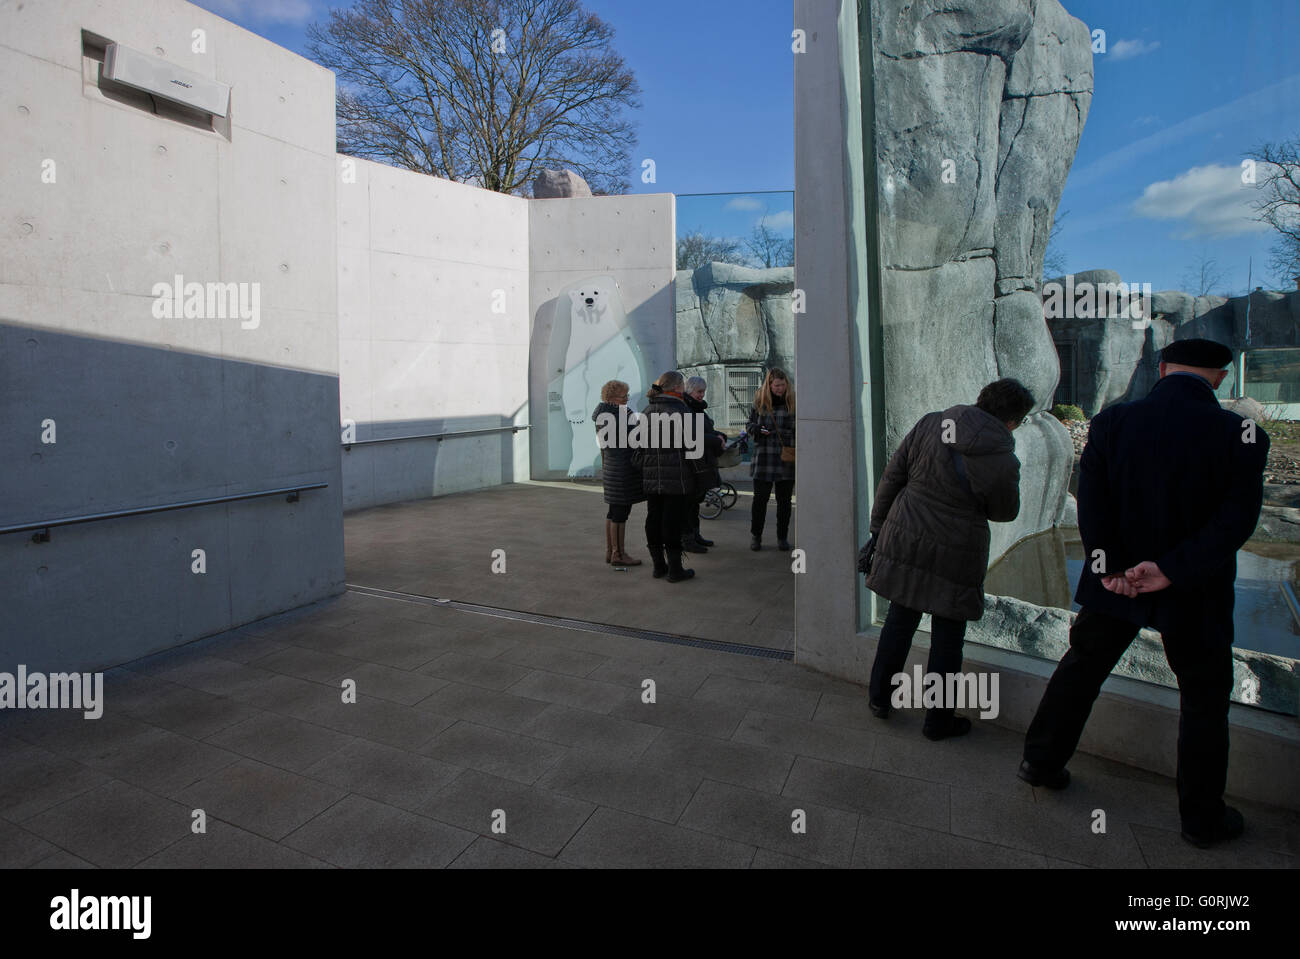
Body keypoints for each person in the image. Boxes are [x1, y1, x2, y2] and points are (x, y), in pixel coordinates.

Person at [1020, 339, 1268, 849]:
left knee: (1081, 669)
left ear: (1161, 370)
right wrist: (1172, 570)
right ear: (1219, 378)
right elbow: (1235, 521)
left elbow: (1092, 503)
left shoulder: (1114, 421)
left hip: (1116, 582)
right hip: (1194, 589)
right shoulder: (1242, 434)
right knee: (1203, 700)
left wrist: (1109, 568)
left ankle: (1039, 763)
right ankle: (1201, 819)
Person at [865, 379, 1033, 740]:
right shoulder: (1004, 461)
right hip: (958, 551)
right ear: (1012, 422)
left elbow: (893, 476)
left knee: (899, 620)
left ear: (980, 400)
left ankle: (880, 698)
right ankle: (937, 721)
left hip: (907, 535)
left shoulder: (932, 423)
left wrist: (878, 529)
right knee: (947, 638)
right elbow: (1004, 512)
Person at [634, 371, 711, 583]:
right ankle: (676, 569)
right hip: (677, 477)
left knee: (654, 518)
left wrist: (646, 467)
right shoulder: (681, 410)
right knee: (672, 522)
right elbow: (693, 449)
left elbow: (636, 447)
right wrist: (701, 476)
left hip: (651, 477)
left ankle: (659, 566)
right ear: (678, 388)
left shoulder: (647, 411)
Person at [592, 380, 645, 567]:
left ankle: (610, 551)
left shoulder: (603, 414)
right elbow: (637, 437)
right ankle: (619, 554)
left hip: (613, 467)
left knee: (614, 511)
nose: (627, 399)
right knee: (620, 513)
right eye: (624, 396)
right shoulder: (620, 414)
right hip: (623, 469)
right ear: (613, 398)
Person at [746, 369, 797, 551]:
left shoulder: (793, 402)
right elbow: (749, 425)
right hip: (764, 456)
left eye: (783, 385)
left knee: (784, 502)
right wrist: (758, 430)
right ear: (769, 385)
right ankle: (756, 536)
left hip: (786, 457)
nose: (780, 389)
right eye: (776, 386)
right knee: (760, 499)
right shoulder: (760, 401)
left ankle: (782, 537)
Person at [681, 376, 728, 553]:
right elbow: (694, 435)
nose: (702, 395)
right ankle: (689, 539)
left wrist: (719, 435)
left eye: (703, 392)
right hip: (694, 462)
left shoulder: (696, 408)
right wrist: (716, 439)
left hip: (701, 461)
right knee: (689, 504)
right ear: (690, 391)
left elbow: (704, 431)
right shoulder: (688, 409)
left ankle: (695, 535)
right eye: (699, 392)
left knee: (694, 503)